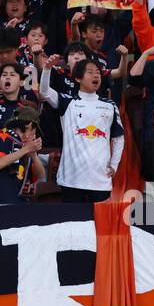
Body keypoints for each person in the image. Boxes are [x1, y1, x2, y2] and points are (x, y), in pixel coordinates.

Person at [53, 58, 125, 202]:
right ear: (78, 78)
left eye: (98, 72)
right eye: (90, 72)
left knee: (99, 224)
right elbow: (44, 92)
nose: (96, 75)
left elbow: (119, 138)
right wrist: (47, 69)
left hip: (100, 181)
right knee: (71, 223)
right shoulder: (68, 102)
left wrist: (114, 165)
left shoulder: (110, 105)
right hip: (71, 180)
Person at [0, 104, 47, 204]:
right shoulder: (2, 137)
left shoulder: (26, 145)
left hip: (20, 203)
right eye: (34, 129)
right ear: (28, 125)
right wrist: (25, 150)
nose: (35, 133)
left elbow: (41, 176)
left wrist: (33, 155)